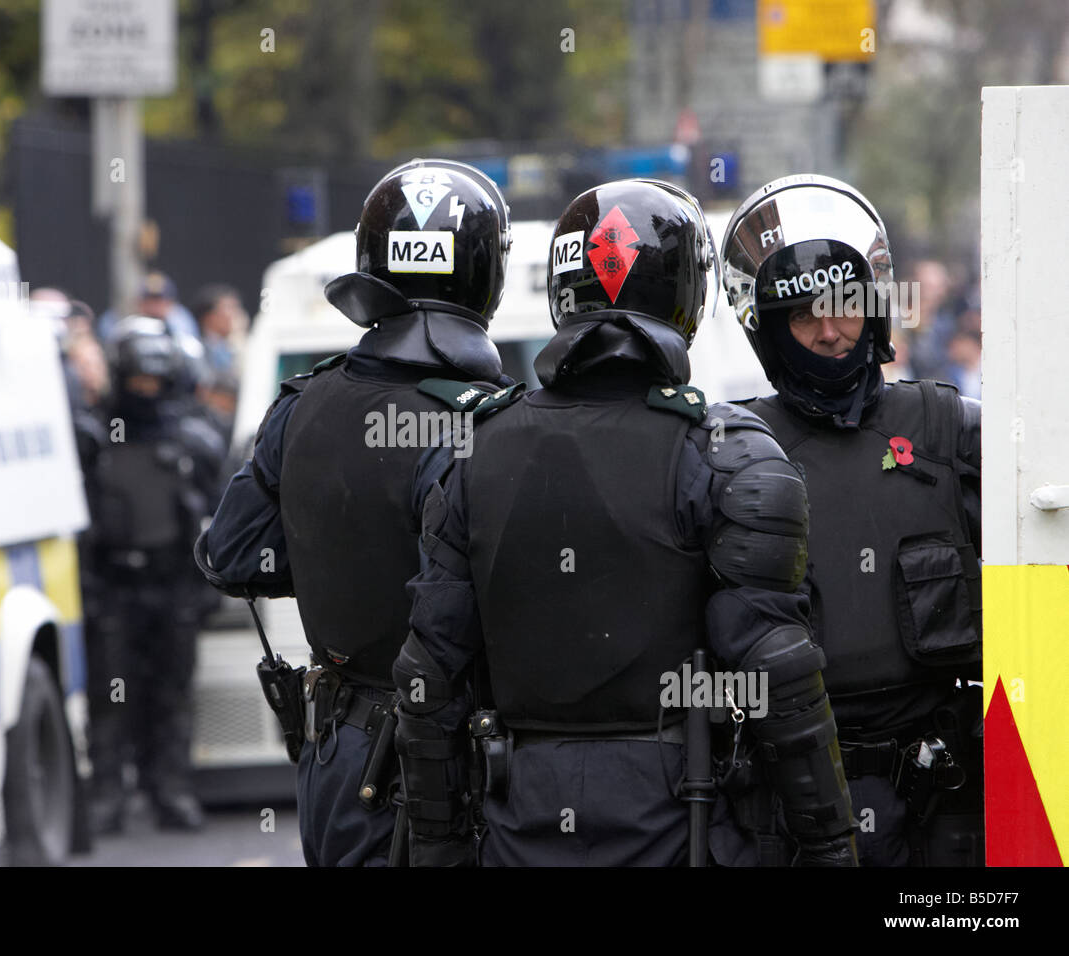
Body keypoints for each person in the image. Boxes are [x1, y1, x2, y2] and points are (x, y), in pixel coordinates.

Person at [393, 179, 859, 867]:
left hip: (521, 822)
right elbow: (777, 674)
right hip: (679, 825)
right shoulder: (727, 451)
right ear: (688, 292)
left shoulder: (470, 450)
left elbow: (427, 675)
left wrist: (438, 852)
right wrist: (832, 848)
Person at [196, 159, 516, 866]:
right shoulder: (481, 423)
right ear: (485, 275)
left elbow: (230, 556)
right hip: (458, 752)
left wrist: (331, 550)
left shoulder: (301, 403)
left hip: (336, 753)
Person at [720, 174, 983, 866]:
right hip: (790, 804)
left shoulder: (946, 428)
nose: (831, 331)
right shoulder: (731, 453)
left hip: (942, 802)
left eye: (844, 306)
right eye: (806, 316)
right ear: (770, 329)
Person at [83, 316, 227, 833]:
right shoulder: (95, 436)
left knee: (171, 694)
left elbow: (219, 513)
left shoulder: (194, 437)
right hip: (116, 588)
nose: (146, 390)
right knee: (112, 696)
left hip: (173, 588)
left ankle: (171, 789)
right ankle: (108, 794)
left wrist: (207, 586)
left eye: (154, 380)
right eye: (138, 380)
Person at [189, 283, 248, 442]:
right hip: (210, 428)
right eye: (229, 309)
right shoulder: (195, 351)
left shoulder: (236, 349)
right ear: (209, 316)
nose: (236, 316)